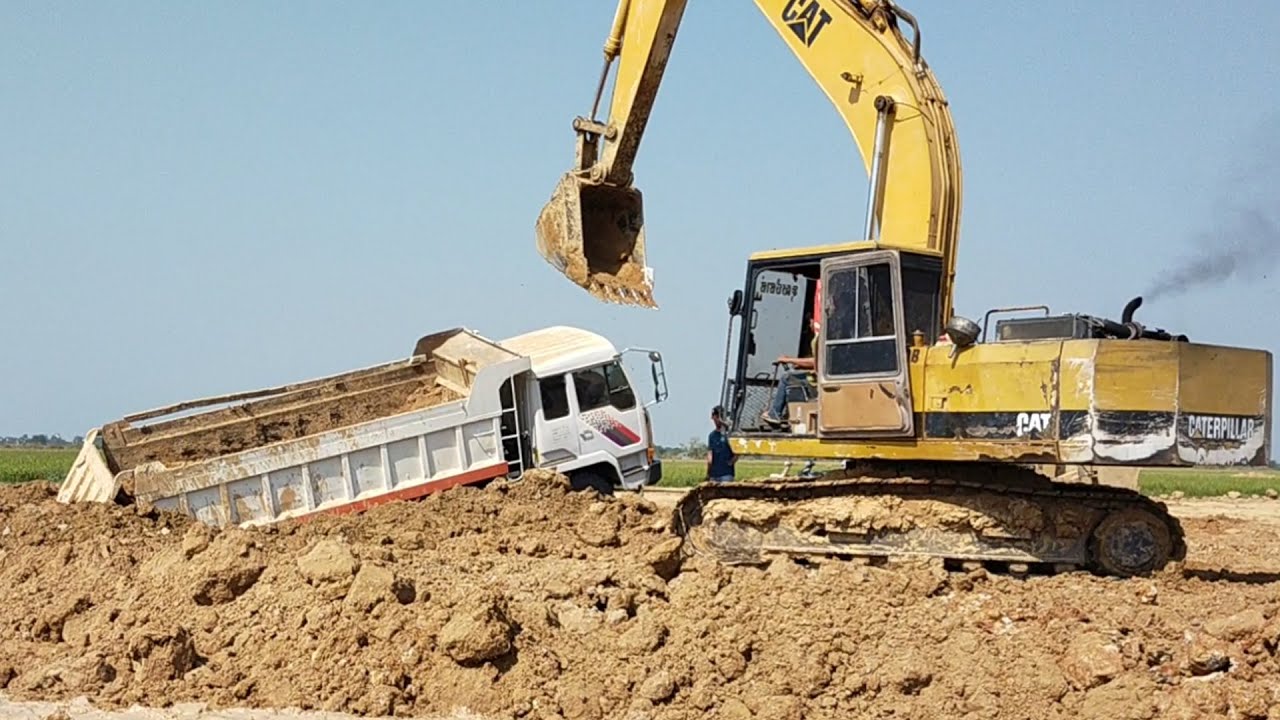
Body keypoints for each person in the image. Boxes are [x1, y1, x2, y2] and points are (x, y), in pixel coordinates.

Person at [706, 405, 737, 482]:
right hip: (714, 474)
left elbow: (738, 451)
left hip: (726, 474)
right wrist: (709, 473)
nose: (714, 419)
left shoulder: (730, 435)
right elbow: (710, 457)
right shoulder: (712, 435)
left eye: (716, 417)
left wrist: (731, 462)